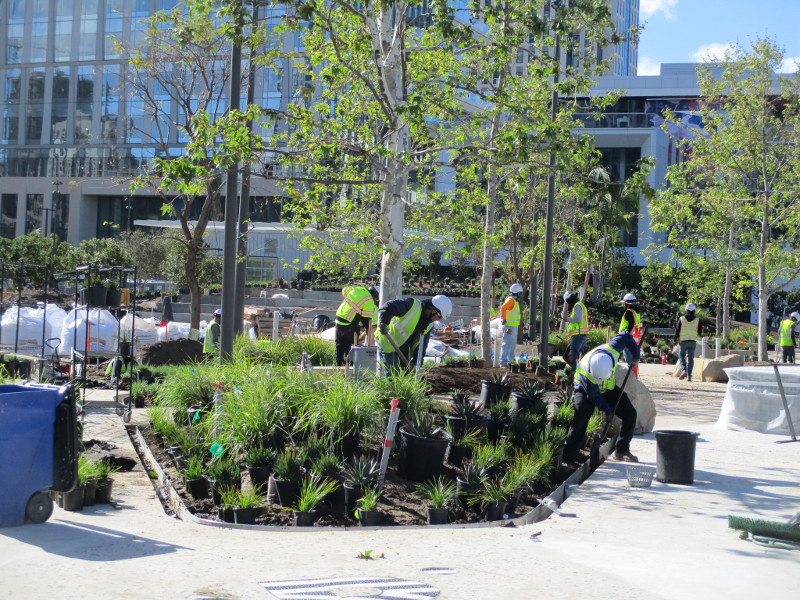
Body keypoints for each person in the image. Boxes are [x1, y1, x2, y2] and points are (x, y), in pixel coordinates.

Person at [563, 331, 641, 465]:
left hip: (607, 387)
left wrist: (636, 355)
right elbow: (594, 396)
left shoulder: (613, 349)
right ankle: (568, 459)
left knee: (630, 413)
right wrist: (607, 410)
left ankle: (621, 450)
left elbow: (626, 336)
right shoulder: (585, 371)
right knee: (580, 421)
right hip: (585, 389)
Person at [376, 294, 452, 375]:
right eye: (440, 317)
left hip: (404, 351)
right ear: (434, 311)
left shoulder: (429, 325)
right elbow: (388, 306)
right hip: (388, 343)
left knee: (406, 376)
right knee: (393, 375)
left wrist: (416, 364)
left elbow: (422, 346)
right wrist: (384, 323)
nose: (438, 320)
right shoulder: (412, 306)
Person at [334, 285, 379, 366]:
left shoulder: (358, 289)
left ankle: (338, 364)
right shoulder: (369, 300)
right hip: (349, 322)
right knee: (350, 345)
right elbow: (366, 319)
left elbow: (345, 289)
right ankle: (350, 365)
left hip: (339, 317)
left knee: (339, 344)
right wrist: (368, 330)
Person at [674, 303, 702, 381]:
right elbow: (700, 331)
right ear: (694, 310)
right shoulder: (697, 320)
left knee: (681, 356)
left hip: (683, 341)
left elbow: (677, 330)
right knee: (691, 359)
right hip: (692, 341)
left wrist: (675, 339)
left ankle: (683, 370)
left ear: (686, 310)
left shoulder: (681, 319)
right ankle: (689, 376)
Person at [562, 290, 589, 367]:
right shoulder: (580, 305)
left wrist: (568, 319)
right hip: (580, 334)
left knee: (572, 355)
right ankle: (579, 370)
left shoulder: (577, 306)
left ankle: (575, 371)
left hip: (579, 334)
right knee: (570, 356)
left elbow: (578, 319)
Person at [619, 292, 643, 377]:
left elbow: (631, 324)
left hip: (627, 339)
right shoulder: (636, 313)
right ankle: (634, 377)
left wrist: (626, 334)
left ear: (627, 304)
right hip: (635, 339)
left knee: (629, 361)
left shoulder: (628, 312)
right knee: (633, 361)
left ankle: (631, 379)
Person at [499, 283, 523, 367]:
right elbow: (503, 307)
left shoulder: (514, 300)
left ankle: (511, 361)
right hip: (509, 327)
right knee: (506, 344)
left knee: (512, 345)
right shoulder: (511, 300)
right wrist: (504, 318)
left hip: (512, 326)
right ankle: (503, 363)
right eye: (520, 293)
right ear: (517, 292)